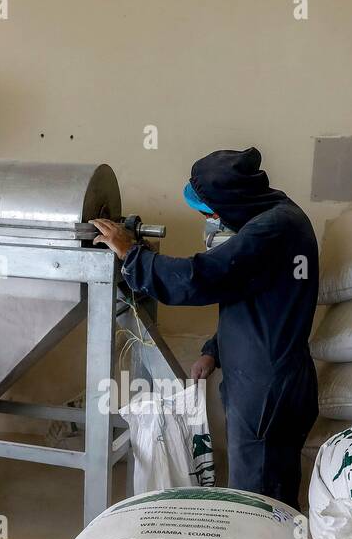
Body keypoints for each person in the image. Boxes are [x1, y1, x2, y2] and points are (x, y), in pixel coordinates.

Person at [92, 147, 319, 507]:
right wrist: (214, 350)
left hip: (266, 388)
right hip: (264, 376)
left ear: (233, 200)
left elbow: (202, 277)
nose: (213, 221)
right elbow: (251, 301)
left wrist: (133, 255)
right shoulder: (276, 215)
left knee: (257, 496)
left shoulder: (271, 230)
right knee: (266, 481)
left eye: (213, 212)